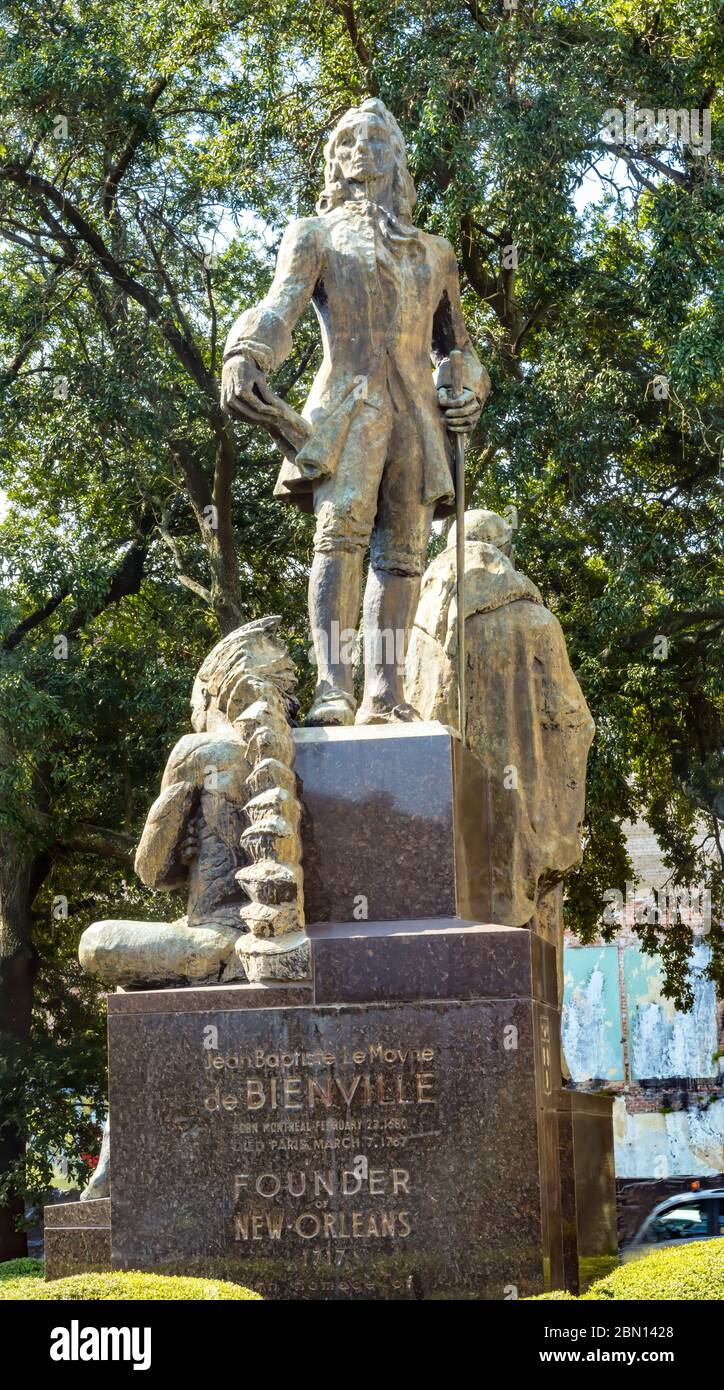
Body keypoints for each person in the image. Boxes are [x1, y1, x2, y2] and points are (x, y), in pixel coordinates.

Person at [221, 98, 490, 725]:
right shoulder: (313, 235)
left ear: (398, 158)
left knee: (403, 556)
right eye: (349, 139)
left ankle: (386, 696)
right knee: (338, 539)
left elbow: (460, 348)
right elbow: (278, 308)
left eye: (377, 138)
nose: (363, 147)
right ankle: (333, 688)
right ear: (334, 159)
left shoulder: (437, 253)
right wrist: (245, 353)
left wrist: (468, 385)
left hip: (418, 417)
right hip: (346, 409)